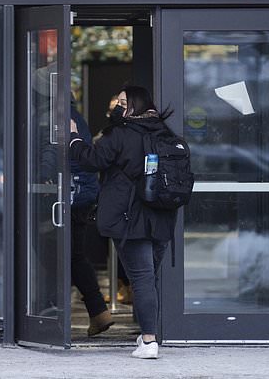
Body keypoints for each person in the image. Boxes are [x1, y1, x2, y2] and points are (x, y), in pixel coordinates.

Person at [69, 86, 177, 359]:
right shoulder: (165, 133)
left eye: (122, 102)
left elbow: (92, 160)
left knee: (141, 278)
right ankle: (148, 336)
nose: (117, 106)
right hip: (162, 217)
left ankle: (150, 340)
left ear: (134, 105)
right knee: (148, 278)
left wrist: (72, 138)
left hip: (131, 218)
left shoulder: (120, 135)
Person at [70, 101, 114, 337]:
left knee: (55, 256)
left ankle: (47, 314)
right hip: (82, 194)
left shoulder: (56, 117)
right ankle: (98, 312)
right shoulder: (76, 116)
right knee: (75, 256)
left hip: (68, 196)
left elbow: (52, 155)